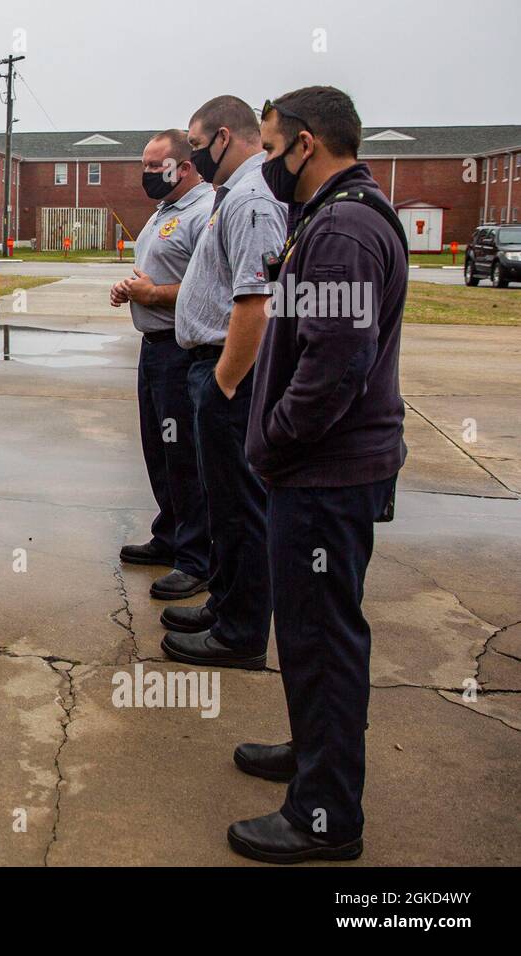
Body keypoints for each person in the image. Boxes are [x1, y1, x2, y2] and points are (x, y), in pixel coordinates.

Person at [227, 86, 407, 863]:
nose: (267, 162)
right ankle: (311, 756)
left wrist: (275, 438)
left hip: (324, 475)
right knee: (308, 636)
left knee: (325, 641)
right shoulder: (334, 220)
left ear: (307, 143)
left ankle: (324, 817)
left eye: (270, 148)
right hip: (323, 472)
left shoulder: (341, 228)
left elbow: (337, 363)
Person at [164, 96, 286, 669]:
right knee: (223, 501)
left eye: (196, 144)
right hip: (209, 364)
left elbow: (257, 301)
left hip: (227, 371)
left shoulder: (254, 201)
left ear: (224, 138)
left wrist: (225, 383)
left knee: (239, 505)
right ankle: (224, 601)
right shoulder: (232, 196)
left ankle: (239, 634)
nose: (191, 156)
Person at [112, 130, 215, 601]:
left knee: (185, 457)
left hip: (181, 350)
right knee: (158, 448)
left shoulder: (204, 213)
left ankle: (196, 558)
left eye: (157, 167)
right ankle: (169, 534)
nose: (147, 175)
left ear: (186, 166)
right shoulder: (164, 213)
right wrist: (132, 289)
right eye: (145, 166)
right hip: (153, 347)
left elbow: (210, 285)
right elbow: (160, 275)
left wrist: (153, 295)